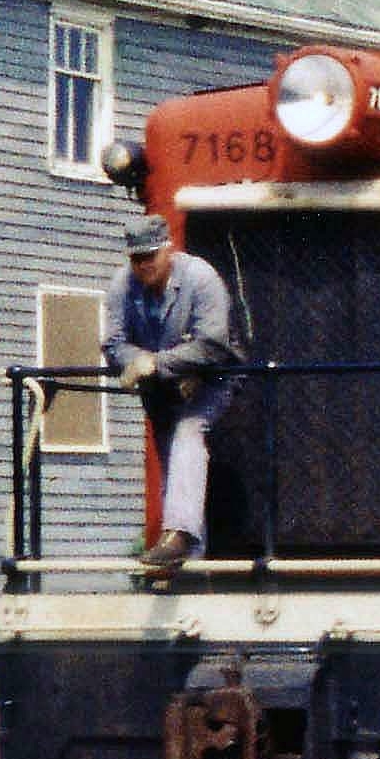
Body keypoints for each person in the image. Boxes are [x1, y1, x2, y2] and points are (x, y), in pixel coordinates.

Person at [105, 215, 241, 573]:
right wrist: (138, 361)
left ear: (169, 249)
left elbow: (213, 344)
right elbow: (113, 343)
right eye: (136, 258)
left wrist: (156, 362)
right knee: (171, 460)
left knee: (187, 435)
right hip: (161, 390)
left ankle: (179, 535)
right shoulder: (122, 285)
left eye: (150, 255)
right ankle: (190, 567)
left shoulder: (201, 278)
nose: (144, 264)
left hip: (210, 379)